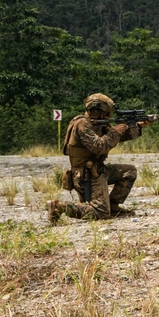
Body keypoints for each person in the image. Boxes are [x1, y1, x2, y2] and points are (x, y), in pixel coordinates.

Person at [47, 93, 143, 223]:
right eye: (107, 114)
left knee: (129, 171)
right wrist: (116, 131)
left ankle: (113, 207)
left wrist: (138, 126)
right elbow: (99, 146)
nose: (109, 117)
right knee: (101, 213)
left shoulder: (98, 124)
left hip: (98, 170)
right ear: (96, 111)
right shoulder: (82, 124)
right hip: (86, 175)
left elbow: (116, 137)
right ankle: (59, 206)